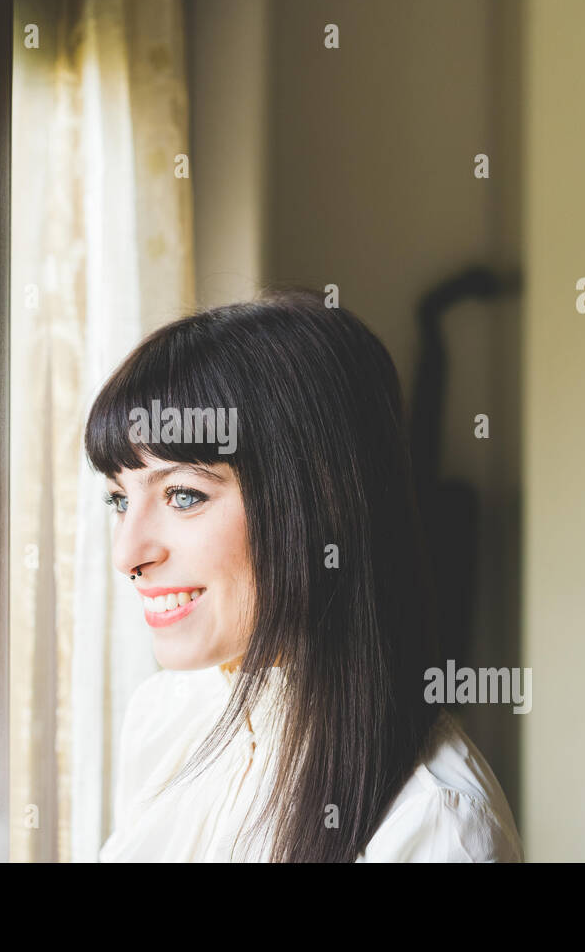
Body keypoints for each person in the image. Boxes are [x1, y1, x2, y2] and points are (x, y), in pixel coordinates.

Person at [85, 288, 522, 862]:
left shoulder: (434, 824)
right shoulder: (162, 715)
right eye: (119, 499)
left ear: (320, 505)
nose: (127, 554)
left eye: (184, 495)